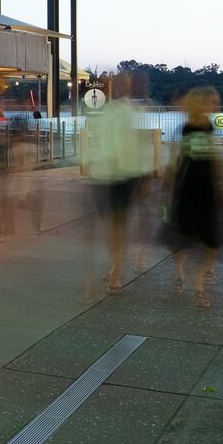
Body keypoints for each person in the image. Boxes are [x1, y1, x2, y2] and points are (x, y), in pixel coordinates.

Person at [86, 71, 148, 295]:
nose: (122, 87)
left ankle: (116, 270)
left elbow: (135, 144)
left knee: (117, 224)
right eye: (119, 83)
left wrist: (140, 173)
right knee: (113, 225)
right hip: (106, 174)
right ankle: (116, 266)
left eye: (126, 83)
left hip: (121, 175)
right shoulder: (109, 111)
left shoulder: (127, 111)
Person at [164, 86, 223, 307]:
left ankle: (196, 281)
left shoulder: (206, 127)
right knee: (186, 234)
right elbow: (184, 157)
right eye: (212, 102)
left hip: (203, 186)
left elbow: (209, 157)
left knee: (209, 238)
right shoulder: (188, 129)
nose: (215, 106)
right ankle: (187, 277)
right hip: (191, 186)